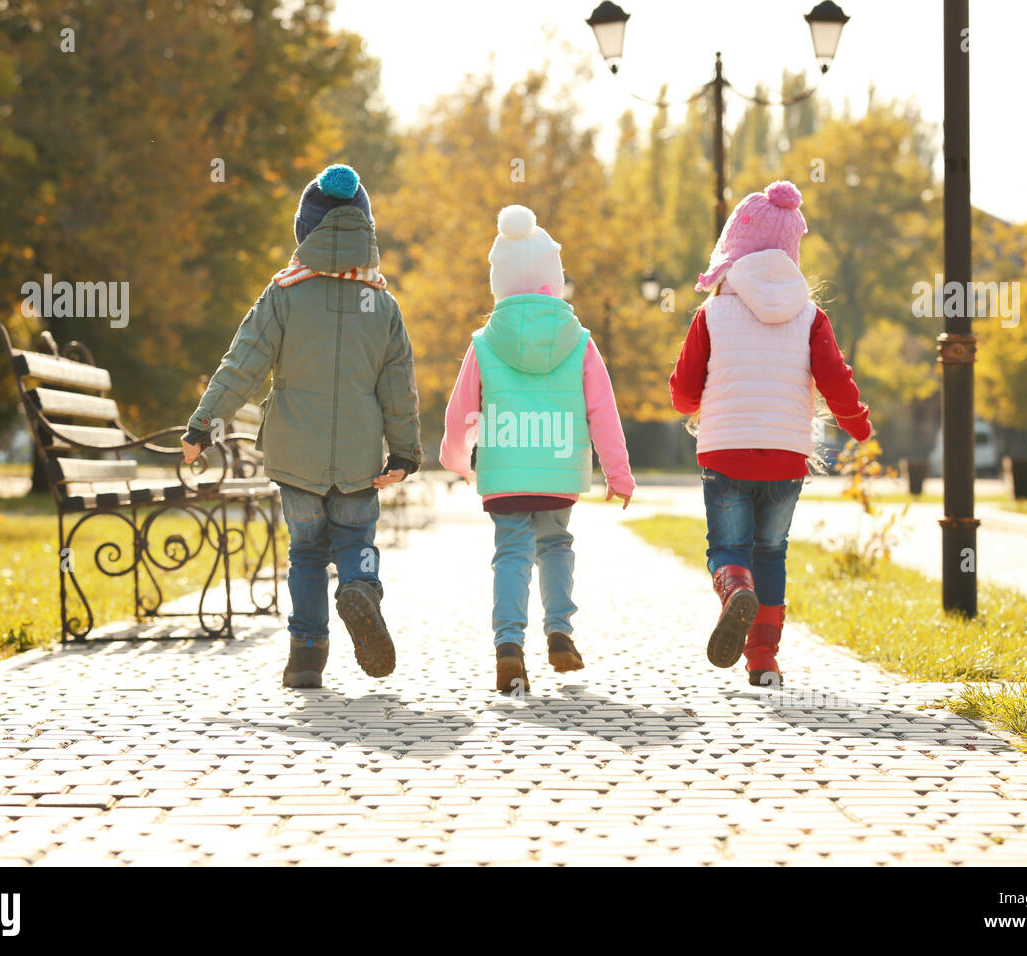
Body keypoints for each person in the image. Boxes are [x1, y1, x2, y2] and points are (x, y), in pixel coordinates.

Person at [181, 164, 421, 689]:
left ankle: (306, 655)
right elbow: (398, 388)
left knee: (307, 553)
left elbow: (242, 364)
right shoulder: (380, 301)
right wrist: (403, 454)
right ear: (366, 229)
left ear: (305, 229)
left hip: (297, 457)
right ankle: (360, 585)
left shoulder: (284, 293)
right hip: (360, 456)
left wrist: (203, 426)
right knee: (358, 535)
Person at [669, 180, 872, 688]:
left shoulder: (711, 314)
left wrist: (695, 403)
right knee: (772, 552)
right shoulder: (809, 316)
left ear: (733, 247)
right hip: (785, 456)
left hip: (725, 452)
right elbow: (836, 382)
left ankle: (734, 585)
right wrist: (858, 425)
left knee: (728, 548)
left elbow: (683, 390)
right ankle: (763, 659)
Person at [440, 205, 635, 694]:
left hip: (505, 470)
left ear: (499, 284)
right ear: (556, 279)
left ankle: (509, 647)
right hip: (556, 469)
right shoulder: (579, 341)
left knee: (510, 553)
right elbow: (602, 411)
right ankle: (560, 632)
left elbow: (462, 408)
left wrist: (458, 458)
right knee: (555, 546)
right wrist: (618, 472)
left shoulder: (484, 342)